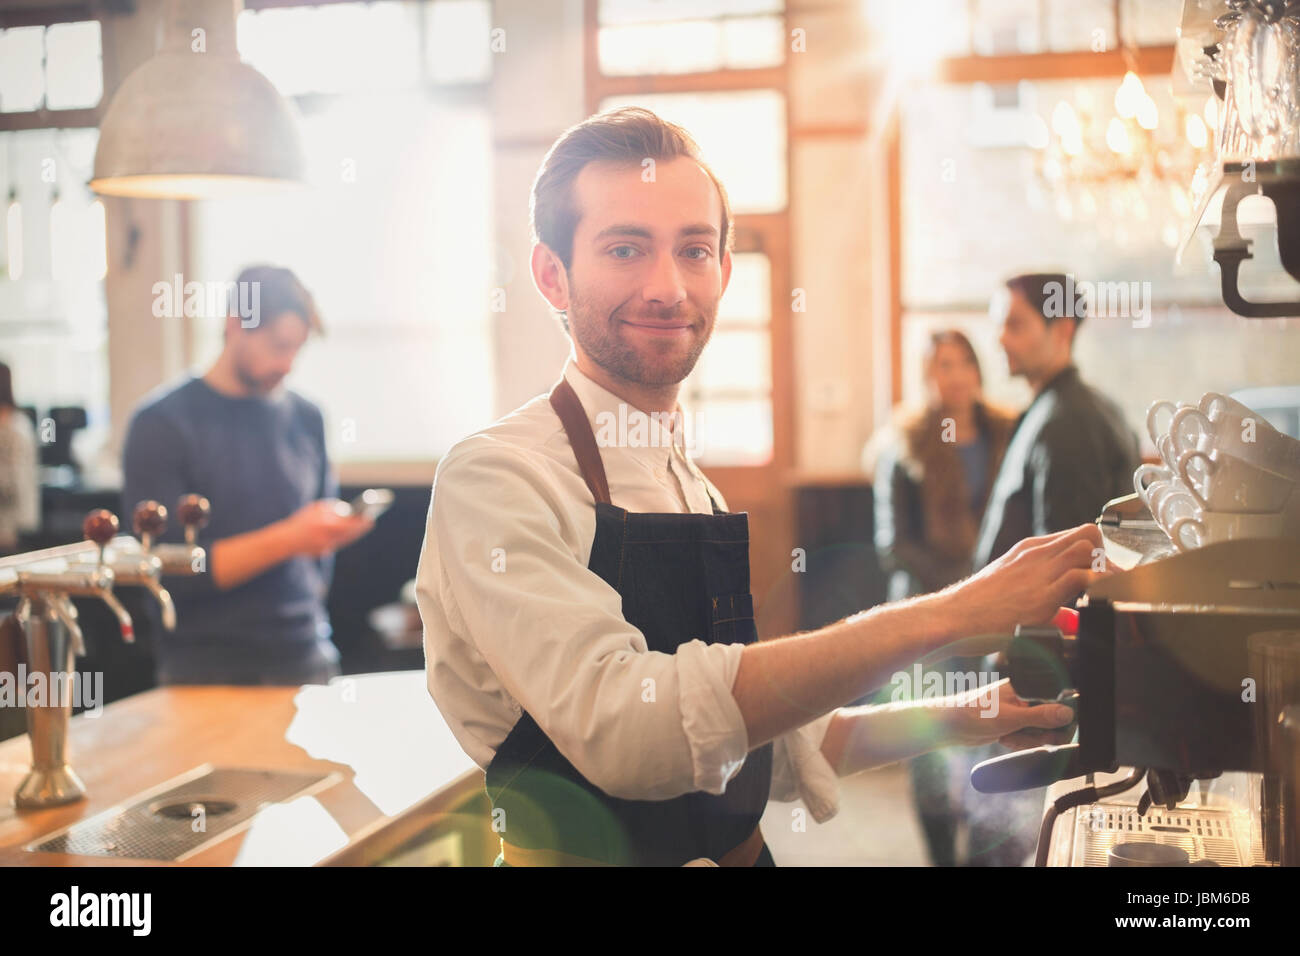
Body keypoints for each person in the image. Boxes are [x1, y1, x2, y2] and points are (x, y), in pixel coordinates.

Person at [417, 108, 1104, 867]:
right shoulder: (496, 477)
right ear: (552, 274)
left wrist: (964, 714)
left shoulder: (692, 486)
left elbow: (756, 742)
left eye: (693, 250)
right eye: (625, 248)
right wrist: (955, 612)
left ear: (723, 271)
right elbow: (630, 731)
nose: (667, 288)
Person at [964, 272, 1141, 866]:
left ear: (1061, 328)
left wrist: (1037, 695)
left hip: (1040, 679)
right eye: (1000, 326)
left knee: (1005, 842)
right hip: (1029, 668)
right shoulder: (1060, 409)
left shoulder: (1069, 423)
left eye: (1015, 325)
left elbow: (1066, 579)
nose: (1000, 340)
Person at [122, 265, 372, 686]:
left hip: (305, 653)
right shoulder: (161, 424)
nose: (288, 364)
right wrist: (290, 538)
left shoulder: (308, 417)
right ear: (235, 324)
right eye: (279, 346)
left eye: (297, 349)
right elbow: (166, 569)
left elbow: (317, 555)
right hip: (204, 665)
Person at [869, 330, 1019, 866]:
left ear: (978, 370)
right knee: (929, 742)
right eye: (942, 365)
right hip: (926, 616)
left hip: (997, 614)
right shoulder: (905, 444)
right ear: (926, 376)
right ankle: (940, 857)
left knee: (991, 731)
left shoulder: (1008, 433)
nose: (955, 376)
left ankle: (983, 853)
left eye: (963, 363)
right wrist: (964, 589)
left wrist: (993, 590)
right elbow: (893, 546)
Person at [0, 362, 39, 556]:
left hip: (10, 525)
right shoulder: (21, 423)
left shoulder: (13, 428)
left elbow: (12, 483)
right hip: (20, 520)